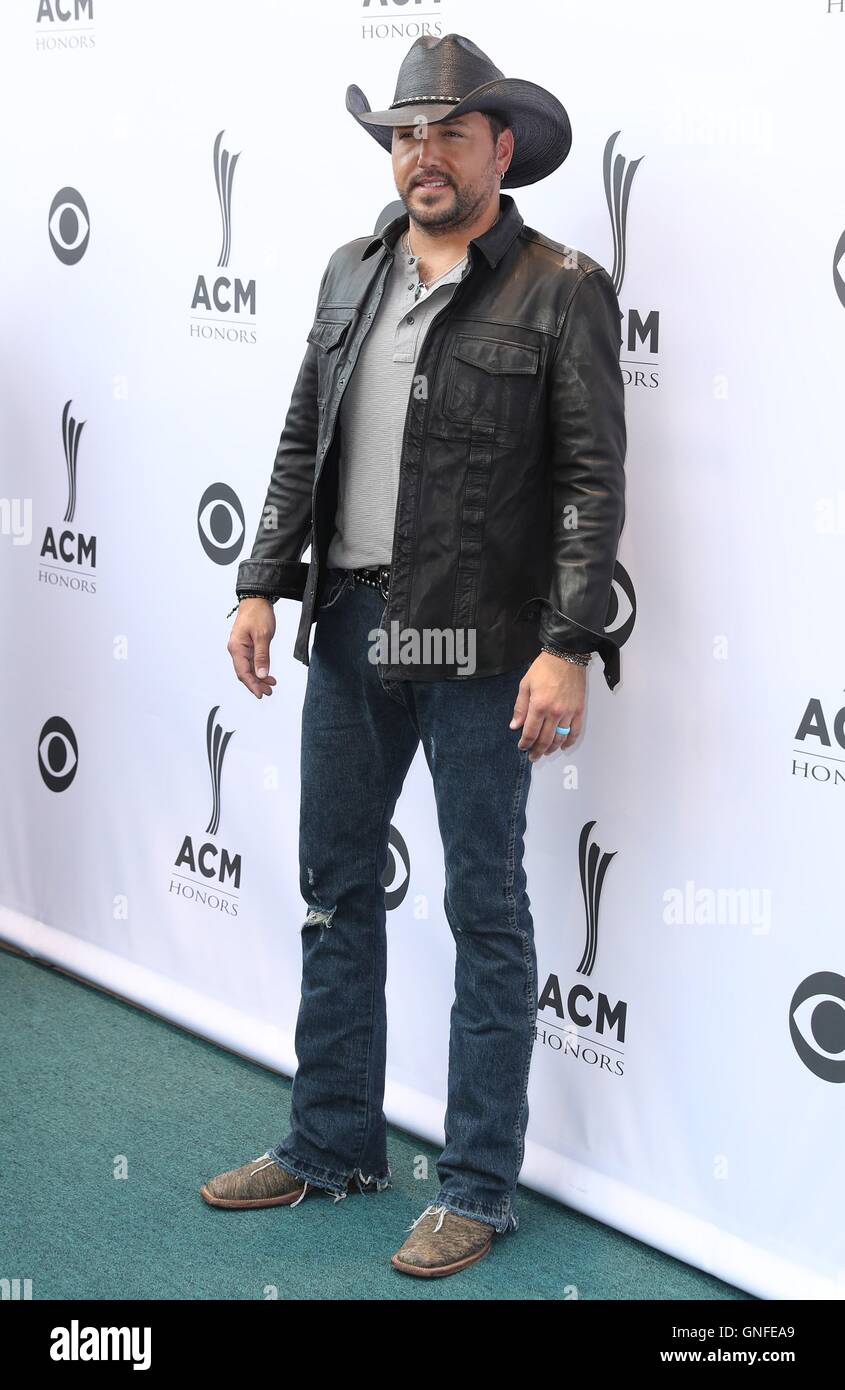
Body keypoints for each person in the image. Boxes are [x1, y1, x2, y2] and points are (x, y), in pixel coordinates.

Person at [201, 32, 627, 1279]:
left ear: (502, 148)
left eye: (447, 133)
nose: (421, 155)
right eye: (402, 135)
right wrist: (258, 584)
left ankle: (480, 1186)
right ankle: (329, 1143)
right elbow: (300, 436)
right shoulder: (349, 272)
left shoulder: (561, 286)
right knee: (336, 892)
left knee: (483, 914)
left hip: (485, 644)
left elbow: (591, 488)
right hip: (347, 628)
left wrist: (568, 646)